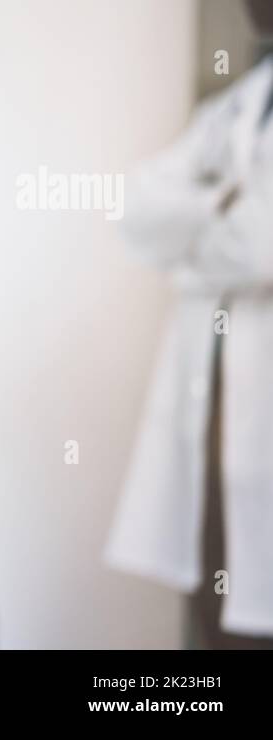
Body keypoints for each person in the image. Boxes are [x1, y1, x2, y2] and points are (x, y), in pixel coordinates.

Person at [106, 0, 273, 649]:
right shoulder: (239, 103)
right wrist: (224, 204)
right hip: (215, 440)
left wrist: (195, 232)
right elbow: (138, 211)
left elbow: (263, 243)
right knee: (216, 620)